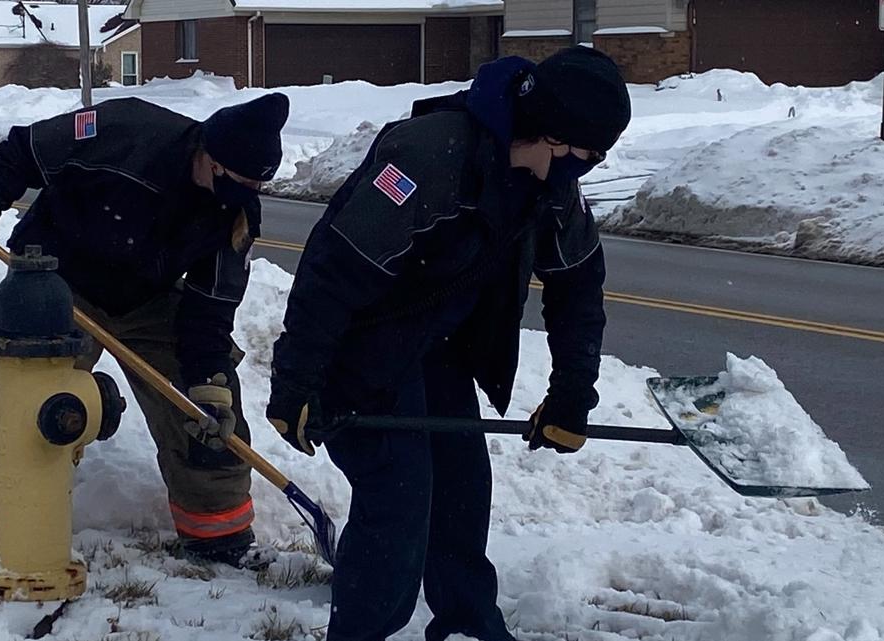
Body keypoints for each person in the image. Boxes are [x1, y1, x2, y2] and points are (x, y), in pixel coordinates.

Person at [264, 48, 631, 641]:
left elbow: (579, 287)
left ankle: (466, 625)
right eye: (586, 157)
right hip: (362, 351)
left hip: (440, 351)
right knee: (398, 503)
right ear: (554, 137)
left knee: (461, 493)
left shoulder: (550, 188)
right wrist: (297, 379)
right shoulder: (427, 158)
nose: (583, 172)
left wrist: (570, 396)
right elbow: (336, 269)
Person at [0, 92, 290, 581]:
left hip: (147, 297)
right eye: (234, 181)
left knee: (209, 414)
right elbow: (24, 150)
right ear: (208, 154)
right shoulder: (122, 128)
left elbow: (209, 308)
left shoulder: (236, 211)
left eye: (254, 186)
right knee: (29, 406)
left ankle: (218, 534)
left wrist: (206, 382)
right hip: (54, 281)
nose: (238, 195)